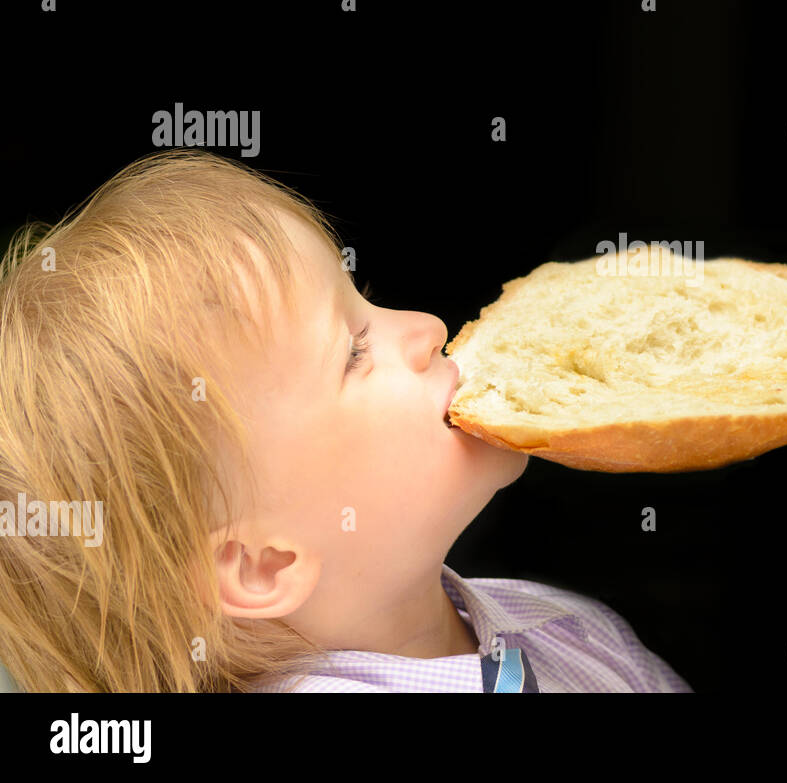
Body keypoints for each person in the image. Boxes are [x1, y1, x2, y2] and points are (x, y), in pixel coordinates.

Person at [0, 149, 690, 692]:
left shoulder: (566, 628)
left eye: (366, 301)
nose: (427, 329)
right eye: (355, 351)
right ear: (264, 563)